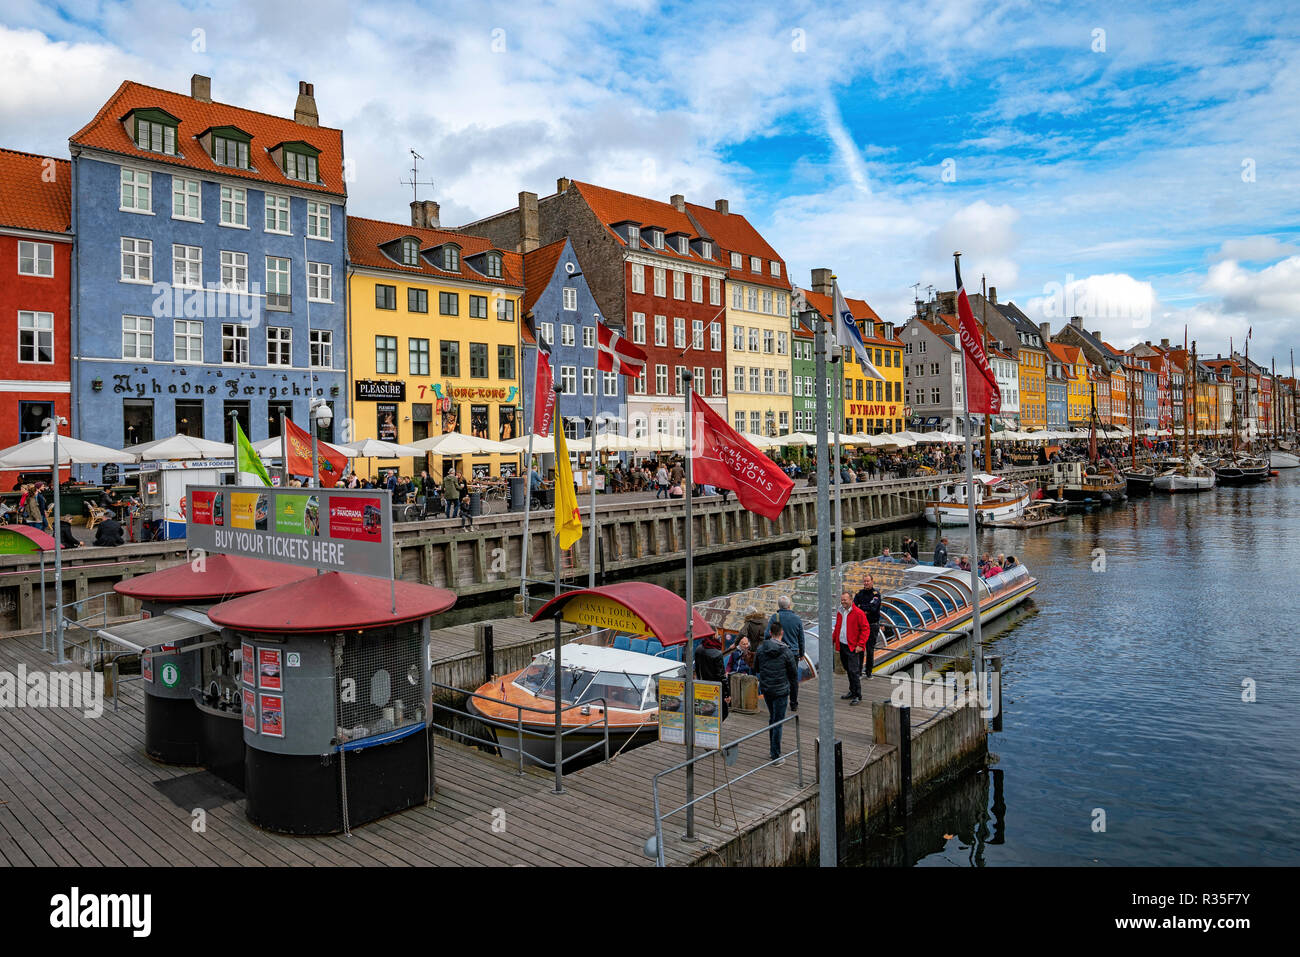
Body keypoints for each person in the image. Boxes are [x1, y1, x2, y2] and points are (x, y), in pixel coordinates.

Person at [753, 620, 798, 763]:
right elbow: (793, 673)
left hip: (767, 689)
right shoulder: (786, 651)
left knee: (773, 718)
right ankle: (776, 754)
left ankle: (773, 749)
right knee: (778, 721)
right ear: (782, 633)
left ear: (770, 633)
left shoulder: (761, 649)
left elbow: (756, 668)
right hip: (781, 690)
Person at [833, 590, 868, 704]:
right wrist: (833, 639)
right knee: (848, 669)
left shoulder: (858, 613)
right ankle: (852, 691)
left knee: (854, 671)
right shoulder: (840, 611)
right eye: (841, 600)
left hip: (853, 647)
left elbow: (865, 629)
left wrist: (860, 645)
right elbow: (838, 627)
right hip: (843, 645)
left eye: (845, 600)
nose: (843, 602)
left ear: (851, 600)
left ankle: (858, 695)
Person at [694, 635, 729, 720]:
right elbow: (721, 676)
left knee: (704, 709)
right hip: (715, 687)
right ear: (714, 636)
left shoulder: (698, 648)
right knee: (723, 712)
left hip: (702, 685)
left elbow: (697, 669)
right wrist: (727, 693)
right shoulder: (717, 653)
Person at [853, 574, 882, 666]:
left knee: (870, 650)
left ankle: (869, 672)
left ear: (872, 581)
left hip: (872, 625)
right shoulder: (859, 594)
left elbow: (873, 608)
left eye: (868, 581)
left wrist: (861, 607)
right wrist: (864, 610)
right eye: (864, 581)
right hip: (860, 626)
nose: (866, 583)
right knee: (860, 649)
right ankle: (859, 671)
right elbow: (854, 608)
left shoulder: (876, 594)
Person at [766, 594, 805, 662]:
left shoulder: (774, 617)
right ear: (789, 605)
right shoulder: (797, 619)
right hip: (793, 653)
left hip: (778, 652)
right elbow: (801, 639)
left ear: (779, 606)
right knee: (792, 672)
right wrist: (801, 654)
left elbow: (767, 635)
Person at [737, 607, 767, 672]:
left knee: (752, 669)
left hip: (753, 651)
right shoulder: (765, 620)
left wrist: (735, 643)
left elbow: (742, 633)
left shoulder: (749, 622)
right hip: (764, 649)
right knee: (761, 670)